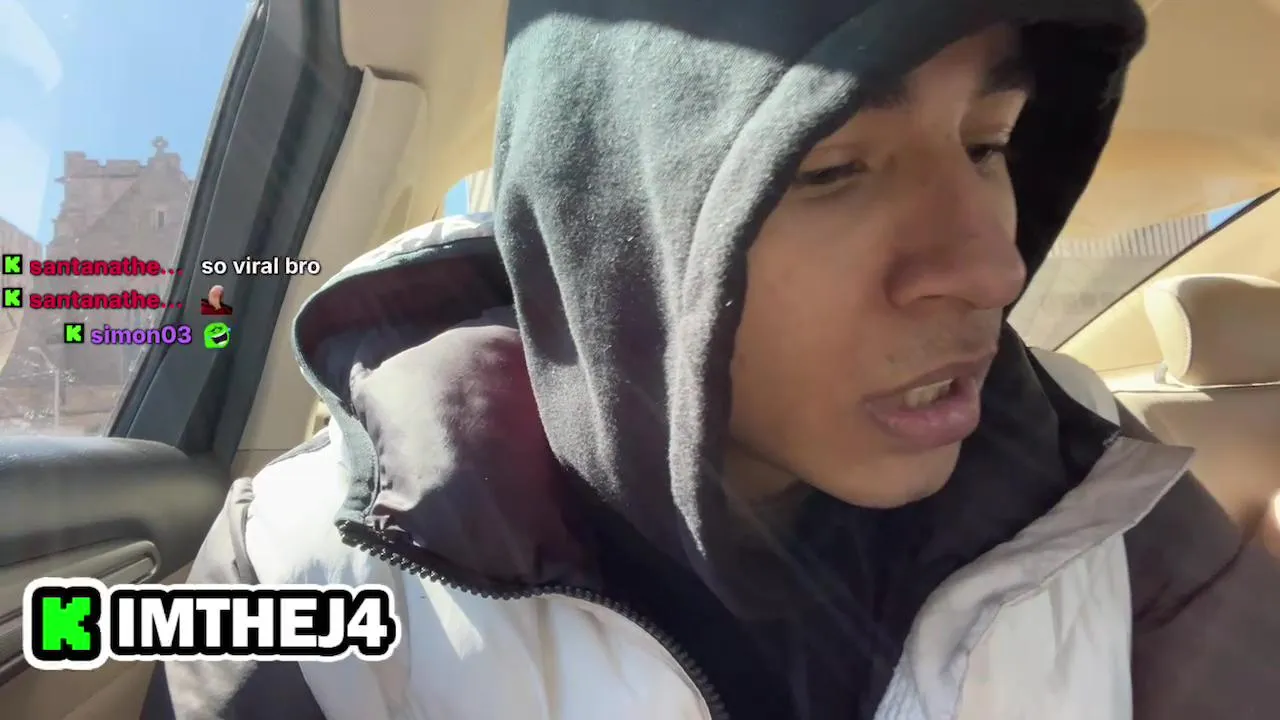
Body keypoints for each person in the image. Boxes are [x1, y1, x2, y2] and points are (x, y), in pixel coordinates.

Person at [144, 0, 1280, 718]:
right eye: (830, 168)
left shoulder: (1092, 481)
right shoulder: (310, 570)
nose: (991, 266)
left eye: (987, 145)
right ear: (618, 228)